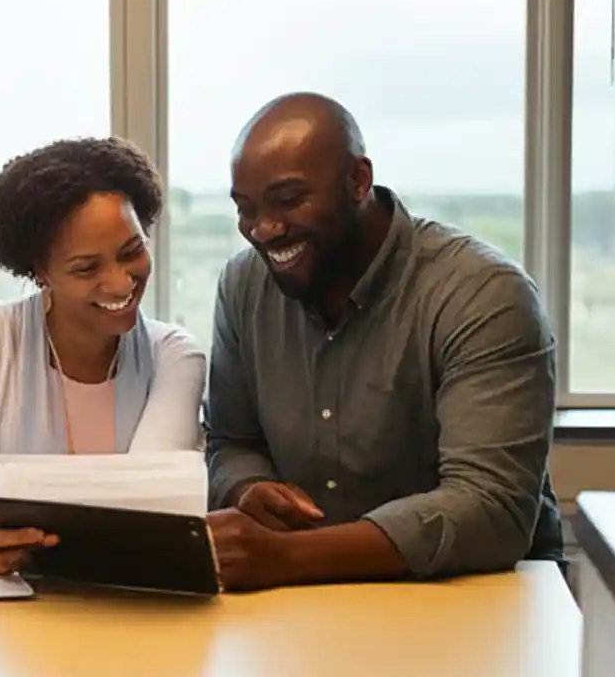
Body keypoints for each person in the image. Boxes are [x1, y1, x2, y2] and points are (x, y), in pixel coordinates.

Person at [203, 92, 564, 591]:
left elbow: (490, 509)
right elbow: (231, 442)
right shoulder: (243, 286)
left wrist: (287, 556)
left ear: (358, 181)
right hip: (301, 604)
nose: (263, 229)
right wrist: (247, 488)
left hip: (478, 598)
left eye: (289, 201)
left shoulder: (483, 295)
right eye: (246, 209)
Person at [0, 137, 207, 574]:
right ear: (40, 271)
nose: (121, 283)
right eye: (86, 268)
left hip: (120, 610)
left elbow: (143, 513)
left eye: (132, 252)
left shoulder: (175, 358)